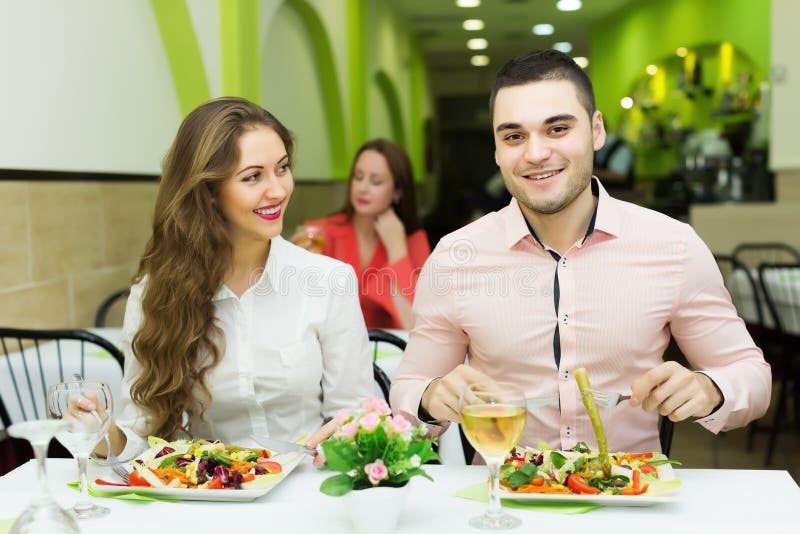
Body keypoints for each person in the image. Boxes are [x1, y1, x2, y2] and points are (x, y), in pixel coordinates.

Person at [390, 49, 771, 455]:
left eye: (557, 129)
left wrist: (710, 388)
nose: (535, 153)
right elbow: (409, 391)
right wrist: (430, 399)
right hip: (506, 503)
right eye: (514, 136)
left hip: (630, 495)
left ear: (597, 131)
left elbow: (752, 377)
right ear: (497, 151)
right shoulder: (455, 257)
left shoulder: (673, 246)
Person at [82, 97, 373, 463]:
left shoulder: (328, 281)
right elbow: (141, 437)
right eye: (253, 177)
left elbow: (359, 415)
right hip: (209, 498)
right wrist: (98, 430)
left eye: (282, 168)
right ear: (209, 193)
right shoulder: (158, 292)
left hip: (309, 489)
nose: (278, 190)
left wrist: (347, 437)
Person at [296, 139, 430, 330]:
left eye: (375, 181)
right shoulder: (321, 234)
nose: (363, 188)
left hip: (387, 353)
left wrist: (397, 250)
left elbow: (415, 325)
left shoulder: (414, 242)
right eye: (358, 178)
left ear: (398, 192)